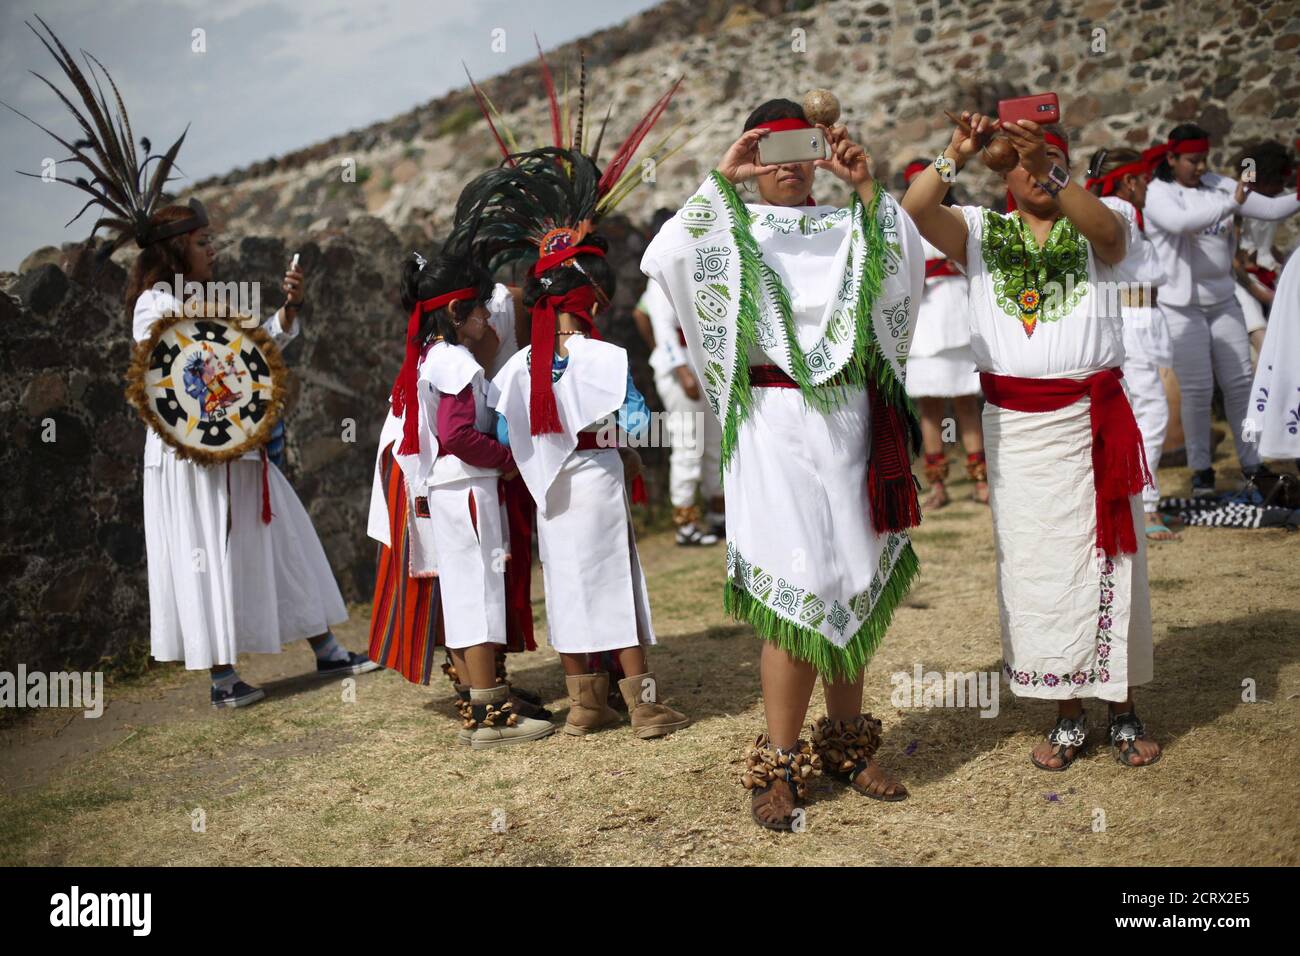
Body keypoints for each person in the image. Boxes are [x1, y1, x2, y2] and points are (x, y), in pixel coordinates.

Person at [5, 21, 375, 707]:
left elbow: (236, 357)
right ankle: (222, 677)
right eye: (205, 242)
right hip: (191, 451)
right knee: (205, 551)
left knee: (284, 524)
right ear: (176, 249)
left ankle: (325, 646)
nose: (214, 249)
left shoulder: (192, 297)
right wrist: (236, 398)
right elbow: (190, 368)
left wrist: (285, 316)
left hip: (233, 442)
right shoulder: (152, 307)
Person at [643, 98, 924, 830]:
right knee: (797, 586)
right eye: (772, 151)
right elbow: (668, 255)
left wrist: (865, 186)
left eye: (804, 147)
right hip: (769, 423)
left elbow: (906, 261)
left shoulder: (849, 225)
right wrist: (720, 180)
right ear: (753, 157)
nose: (792, 165)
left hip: (849, 416)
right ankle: (780, 763)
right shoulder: (729, 229)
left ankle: (850, 747)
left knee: (850, 578)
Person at [903, 109, 1162, 771]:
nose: (1034, 172)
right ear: (1002, 175)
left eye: (1045, 159)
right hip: (1016, 430)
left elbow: (1109, 236)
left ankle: (1123, 711)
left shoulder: (1100, 220)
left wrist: (1047, 159)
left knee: (1116, 563)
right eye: (1019, 161)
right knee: (1037, 569)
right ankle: (1067, 715)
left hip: (1092, 420)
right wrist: (956, 150)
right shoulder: (981, 231)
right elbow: (915, 209)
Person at [460, 53, 692, 741]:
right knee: (617, 587)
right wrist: (631, 444)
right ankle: (643, 705)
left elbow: (503, 437)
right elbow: (637, 421)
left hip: (546, 488)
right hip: (594, 477)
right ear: (591, 297)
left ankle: (586, 707)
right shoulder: (602, 356)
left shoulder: (518, 366)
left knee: (566, 587)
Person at [366, 245, 553, 746]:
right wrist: (507, 459)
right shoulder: (452, 361)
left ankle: (480, 697)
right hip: (466, 488)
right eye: (478, 310)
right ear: (455, 313)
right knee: (479, 595)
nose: (486, 319)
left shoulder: (434, 356)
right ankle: (492, 714)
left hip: (449, 490)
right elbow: (457, 434)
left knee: (467, 593)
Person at [1143, 125, 1300, 497]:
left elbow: (1274, 208)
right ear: (1172, 159)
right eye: (1191, 161)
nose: (1199, 168)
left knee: (1241, 385)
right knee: (1197, 392)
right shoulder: (1157, 193)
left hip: (1223, 299)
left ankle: (1252, 463)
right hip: (1181, 306)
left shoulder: (1217, 184)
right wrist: (1234, 202)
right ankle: (1201, 471)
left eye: (1202, 160)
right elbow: (1181, 224)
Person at [1085, 147, 1178, 540]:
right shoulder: (1116, 209)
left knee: (1141, 412)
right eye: (1145, 179)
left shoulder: (1115, 209)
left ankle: (1136, 496)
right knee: (1151, 413)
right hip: (1133, 315)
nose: (1149, 187)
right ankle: (1146, 503)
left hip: (1138, 315)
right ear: (1129, 181)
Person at [898, 159, 988, 508]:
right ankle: (938, 485)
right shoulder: (902, 224)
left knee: (967, 401)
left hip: (955, 313)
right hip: (924, 319)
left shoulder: (953, 215)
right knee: (930, 406)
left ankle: (980, 480)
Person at [633, 208, 725, 545]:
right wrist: (682, 371)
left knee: (714, 440)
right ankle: (686, 521)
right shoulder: (658, 275)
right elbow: (659, 326)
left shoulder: (691, 269)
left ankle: (719, 514)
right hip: (680, 369)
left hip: (703, 364)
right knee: (690, 442)